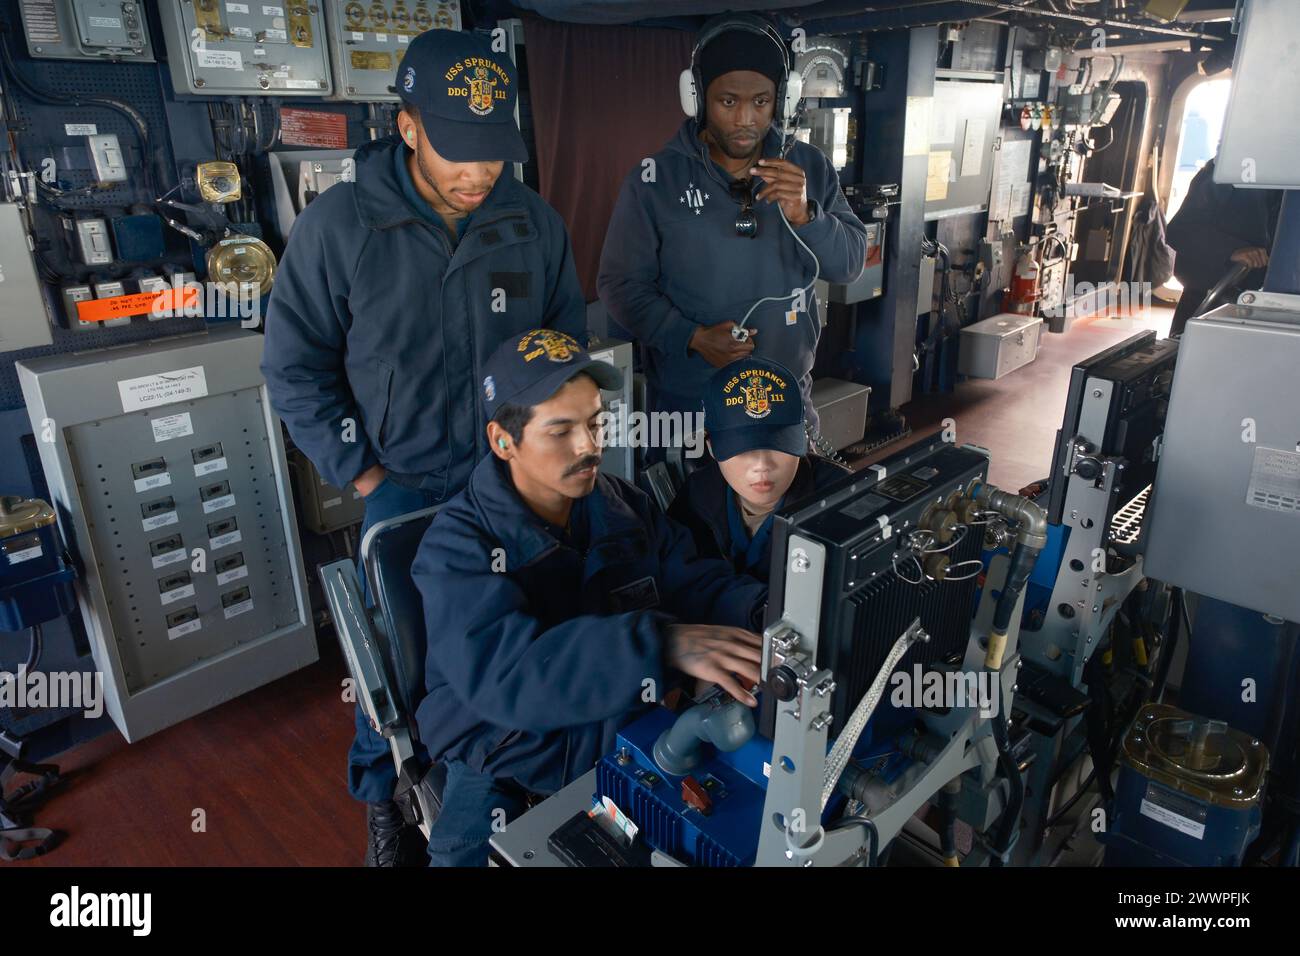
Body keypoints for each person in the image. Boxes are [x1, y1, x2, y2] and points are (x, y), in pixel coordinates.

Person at [260, 29, 587, 866]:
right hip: (402, 485)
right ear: (407, 126)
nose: (479, 174)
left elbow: (564, 347)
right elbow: (295, 367)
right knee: (398, 668)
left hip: (506, 482)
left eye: (493, 154)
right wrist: (364, 473)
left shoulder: (531, 221)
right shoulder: (339, 227)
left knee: (512, 640)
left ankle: (503, 787)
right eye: (458, 151)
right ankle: (384, 796)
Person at [411, 330, 769, 866]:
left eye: (596, 422)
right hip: (504, 752)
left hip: (619, 730)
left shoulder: (623, 506)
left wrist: (766, 612)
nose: (589, 446)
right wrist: (661, 644)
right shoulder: (457, 548)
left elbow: (694, 581)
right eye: (561, 432)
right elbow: (510, 677)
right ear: (503, 440)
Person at [598, 13, 867, 441]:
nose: (745, 119)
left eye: (760, 102)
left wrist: (806, 215)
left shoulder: (809, 167)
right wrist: (692, 337)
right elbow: (619, 285)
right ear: (697, 98)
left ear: (781, 100)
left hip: (786, 401)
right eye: (728, 102)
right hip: (692, 410)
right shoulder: (654, 180)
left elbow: (850, 264)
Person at [669, 357, 851, 582]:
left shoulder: (844, 501)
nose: (762, 466)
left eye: (778, 446)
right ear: (712, 447)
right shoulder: (697, 496)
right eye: (743, 450)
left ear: (803, 441)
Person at [1165, 157, 1282, 336]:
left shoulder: (1288, 186)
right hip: (1208, 296)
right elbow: (1179, 231)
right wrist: (1232, 250)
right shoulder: (1227, 170)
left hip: (1259, 303)